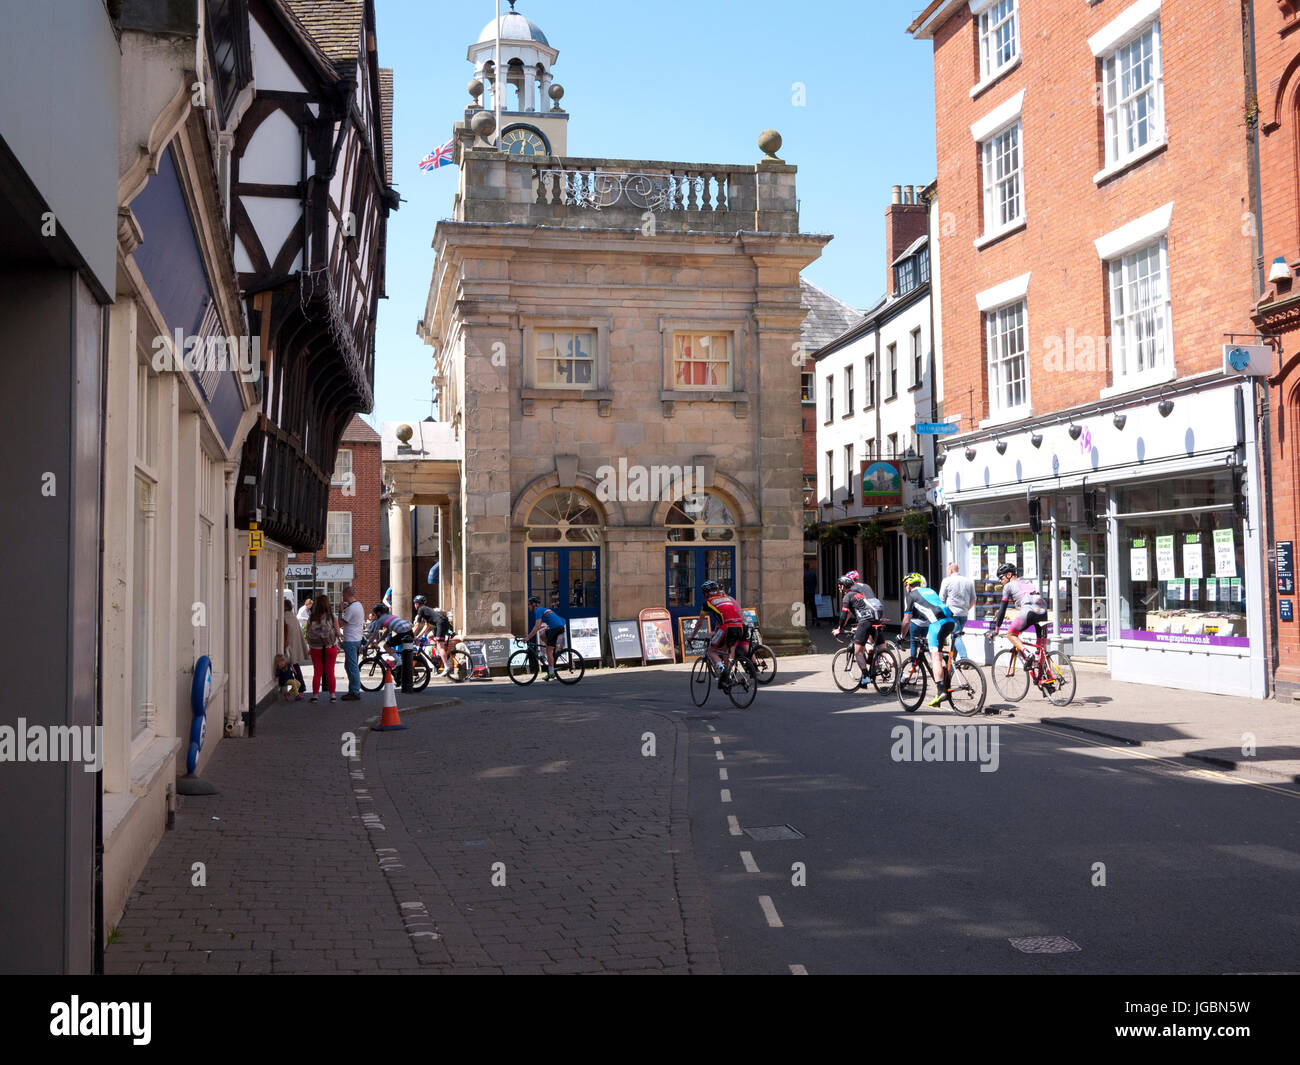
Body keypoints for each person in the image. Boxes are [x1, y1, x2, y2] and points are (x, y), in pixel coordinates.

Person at [899, 573, 957, 709]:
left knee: (935, 658)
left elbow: (907, 620)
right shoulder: (930, 590)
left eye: (905, 585)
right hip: (950, 621)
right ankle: (945, 678)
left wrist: (902, 636)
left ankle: (941, 690)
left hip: (936, 624)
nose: (905, 587)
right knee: (939, 652)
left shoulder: (911, 596)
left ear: (908, 585)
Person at [987, 563, 1049, 665]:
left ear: (1009, 575)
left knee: (1011, 634)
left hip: (1029, 610)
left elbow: (1002, 609)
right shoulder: (1027, 582)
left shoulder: (1008, 586)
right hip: (1043, 610)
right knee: (1042, 649)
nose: (1000, 581)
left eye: (1001, 577)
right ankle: (1046, 675)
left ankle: (1028, 654)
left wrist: (996, 630)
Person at [832, 575, 885, 689]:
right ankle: (901, 674)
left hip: (865, 623)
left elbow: (844, 614)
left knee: (858, 652)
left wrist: (839, 628)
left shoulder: (847, 596)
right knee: (884, 652)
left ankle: (865, 676)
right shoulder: (861, 595)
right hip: (876, 620)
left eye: (839, 586)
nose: (839, 588)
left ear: (842, 586)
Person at [700, 579, 746, 686]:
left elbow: (699, 624)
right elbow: (722, 618)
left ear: (706, 593)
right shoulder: (727, 599)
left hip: (727, 627)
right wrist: (716, 631)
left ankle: (723, 671)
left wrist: (691, 636)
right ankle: (727, 678)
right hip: (740, 626)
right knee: (727, 650)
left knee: (711, 651)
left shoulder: (708, 603)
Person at [938, 561, 976, 659]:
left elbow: (941, 599)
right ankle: (952, 659)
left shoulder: (946, 581)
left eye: (947, 570)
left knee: (956, 636)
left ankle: (965, 658)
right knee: (955, 636)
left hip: (952, 613)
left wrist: (942, 613)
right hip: (964, 614)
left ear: (950, 570)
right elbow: (973, 600)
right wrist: (966, 609)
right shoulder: (968, 581)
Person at [522, 594, 566, 680]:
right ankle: (553, 647)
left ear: (534, 605)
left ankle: (551, 673)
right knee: (542, 635)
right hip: (558, 626)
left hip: (556, 628)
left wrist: (528, 637)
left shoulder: (538, 610)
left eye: (529, 604)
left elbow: (537, 626)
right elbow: (554, 619)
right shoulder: (542, 609)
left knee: (548, 651)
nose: (528, 606)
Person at [305, 596, 340, 702]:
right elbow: (338, 632)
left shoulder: (312, 617)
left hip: (315, 648)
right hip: (330, 647)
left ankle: (315, 696)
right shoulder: (332, 616)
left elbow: (307, 632)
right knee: (330, 672)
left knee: (317, 672)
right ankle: (332, 696)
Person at [371, 603, 415, 684]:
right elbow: (386, 633)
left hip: (403, 633)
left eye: (375, 614)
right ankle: (400, 673)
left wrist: (367, 645)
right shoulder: (390, 616)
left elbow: (374, 634)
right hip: (409, 631)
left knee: (386, 646)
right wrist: (378, 641)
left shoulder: (380, 620)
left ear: (378, 613)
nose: (375, 616)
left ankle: (398, 661)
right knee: (403, 653)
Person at [412, 594, 454, 675]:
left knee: (440, 645)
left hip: (441, 624)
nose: (414, 605)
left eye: (414, 603)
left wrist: (411, 635)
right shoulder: (425, 610)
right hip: (441, 623)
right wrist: (418, 636)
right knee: (429, 637)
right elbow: (426, 626)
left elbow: (417, 625)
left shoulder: (421, 610)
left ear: (416, 604)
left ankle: (446, 667)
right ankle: (439, 654)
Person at [337, 584, 365, 701]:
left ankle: (354, 691)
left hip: (350, 640)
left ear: (346, 594)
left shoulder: (351, 608)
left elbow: (341, 623)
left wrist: (340, 611)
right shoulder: (358, 605)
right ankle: (353, 689)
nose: (342, 597)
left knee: (352, 666)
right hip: (356, 639)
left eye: (343, 594)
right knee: (349, 665)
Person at [283, 596, 310, 665]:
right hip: (294, 645)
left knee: (290, 665)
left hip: (287, 646)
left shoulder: (284, 618)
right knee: (295, 665)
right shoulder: (294, 618)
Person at [803, 562, 818, 627]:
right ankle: (814, 619)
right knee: (813, 606)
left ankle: (805, 621)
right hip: (811, 591)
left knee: (804, 606)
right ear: (809, 566)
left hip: (805, 592)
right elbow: (815, 583)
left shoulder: (803, 574)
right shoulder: (813, 573)